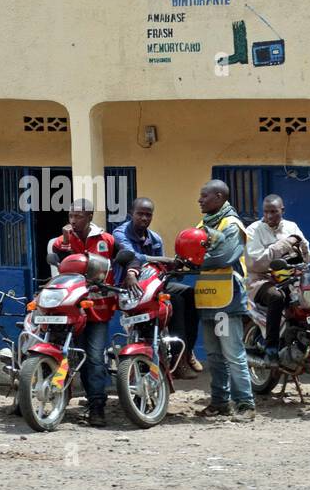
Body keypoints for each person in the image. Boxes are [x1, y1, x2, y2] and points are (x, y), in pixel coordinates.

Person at [184, 180, 255, 423]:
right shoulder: (203, 224)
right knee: (213, 354)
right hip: (207, 297)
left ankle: (245, 403)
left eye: (204, 196)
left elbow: (225, 256)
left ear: (218, 196)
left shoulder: (232, 224)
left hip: (227, 299)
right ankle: (220, 402)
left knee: (233, 353)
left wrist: (196, 259)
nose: (200, 200)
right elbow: (191, 252)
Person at [112, 197, 201, 379]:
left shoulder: (155, 239)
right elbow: (133, 256)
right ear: (131, 214)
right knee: (174, 300)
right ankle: (178, 355)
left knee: (191, 294)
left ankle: (185, 352)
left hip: (153, 285)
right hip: (129, 288)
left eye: (148, 215)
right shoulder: (120, 233)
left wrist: (175, 266)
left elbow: (161, 270)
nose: (144, 218)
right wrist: (165, 260)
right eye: (140, 214)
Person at [47, 198, 116, 427]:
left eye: (78, 216)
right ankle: (52, 399)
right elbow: (58, 261)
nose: (73, 220)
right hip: (70, 307)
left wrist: (131, 273)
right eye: (70, 216)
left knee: (95, 357)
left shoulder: (106, 240)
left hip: (98, 309)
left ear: (89, 217)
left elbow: (126, 258)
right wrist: (65, 244)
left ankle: (97, 406)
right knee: (64, 352)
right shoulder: (62, 241)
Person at [245, 194, 310, 363]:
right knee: (276, 296)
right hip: (262, 280)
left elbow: (308, 258)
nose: (269, 216)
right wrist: (284, 245)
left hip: (290, 279)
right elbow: (255, 262)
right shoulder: (253, 230)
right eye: (266, 212)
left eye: (273, 212)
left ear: (282, 210)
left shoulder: (292, 227)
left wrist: (303, 248)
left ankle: (307, 342)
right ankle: (271, 347)